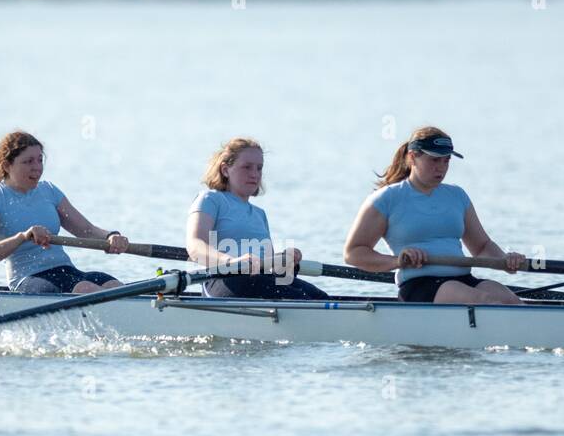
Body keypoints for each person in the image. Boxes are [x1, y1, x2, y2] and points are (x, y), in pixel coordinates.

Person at [343, 126, 525, 303]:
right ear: (412, 157)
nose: (441, 168)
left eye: (446, 161)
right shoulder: (387, 198)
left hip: (464, 279)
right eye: (434, 160)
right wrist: (397, 261)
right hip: (419, 286)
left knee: (509, 300)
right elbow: (354, 253)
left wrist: (505, 260)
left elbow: (482, 247)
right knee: (484, 300)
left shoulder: (457, 196)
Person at [0, 130, 130, 294]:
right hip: (28, 278)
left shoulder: (49, 191)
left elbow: (86, 230)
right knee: (86, 289)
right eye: (28, 161)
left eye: (40, 160)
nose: (37, 168)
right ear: (7, 166)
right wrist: (23, 237)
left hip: (66, 270)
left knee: (115, 287)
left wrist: (110, 237)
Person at [185, 138, 328, 300]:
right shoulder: (210, 199)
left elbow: (267, 264)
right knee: (301, 299)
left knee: (321, 297)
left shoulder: (260, 214)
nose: (255, 174)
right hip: (224, 279)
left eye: (259, 168)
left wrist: (285, 258)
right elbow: (195, 246)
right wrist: (231, 261)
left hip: (260, 280)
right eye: (247, 167)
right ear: (225, 170)